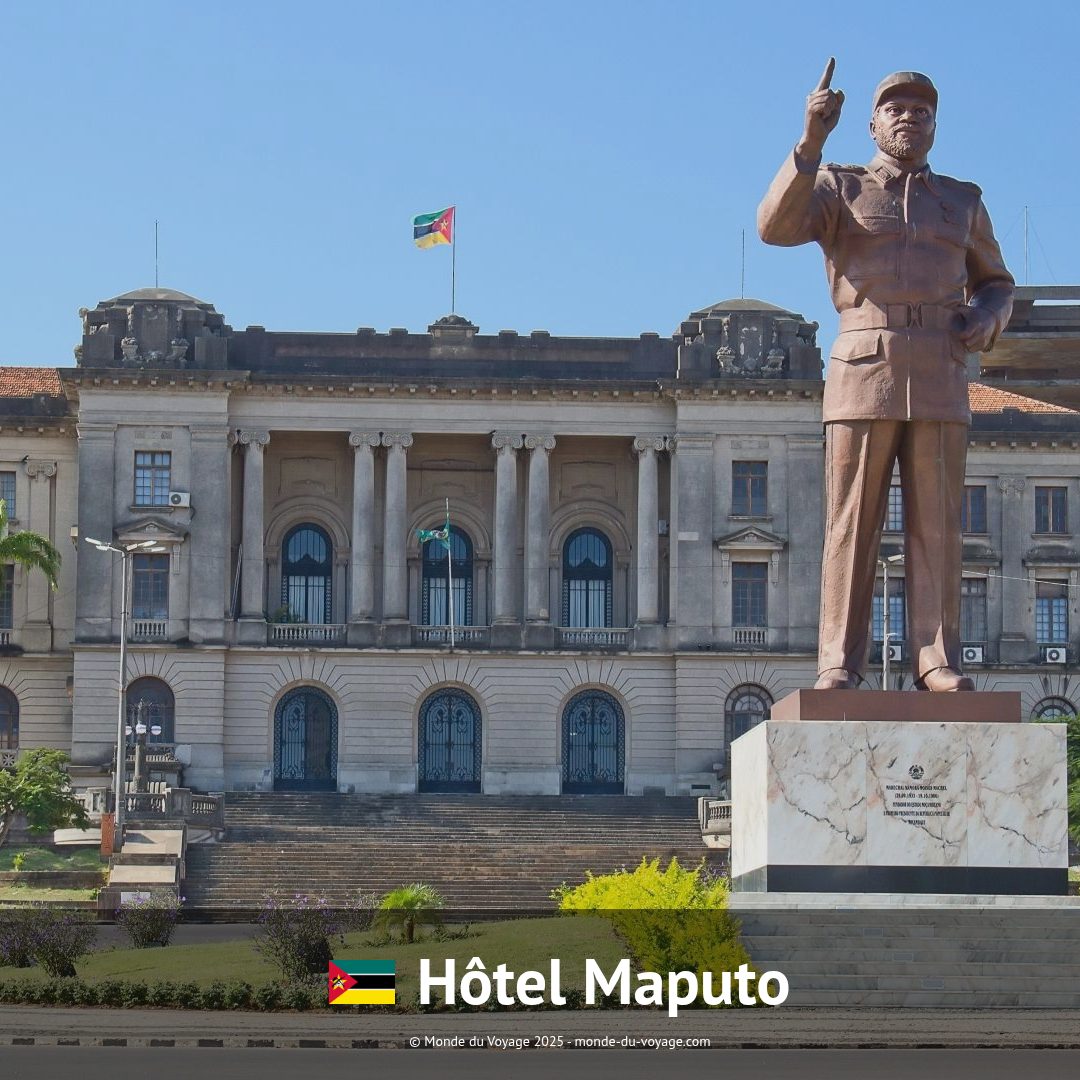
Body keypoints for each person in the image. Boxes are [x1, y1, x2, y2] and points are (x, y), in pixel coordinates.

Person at [757, 60, 1014, 691]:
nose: (910, 117)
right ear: (872, 124)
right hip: (864, 362)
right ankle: (839, 661)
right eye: (896, 108)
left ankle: (936, 658)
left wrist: (988, 312)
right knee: (852, 522)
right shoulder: (839, 186)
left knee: (938, 525)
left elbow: (997, 280)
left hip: (940, 366)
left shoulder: (962, 200)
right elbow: (774, 228)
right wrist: (810, 142)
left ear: (935, 126)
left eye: (922, 110)